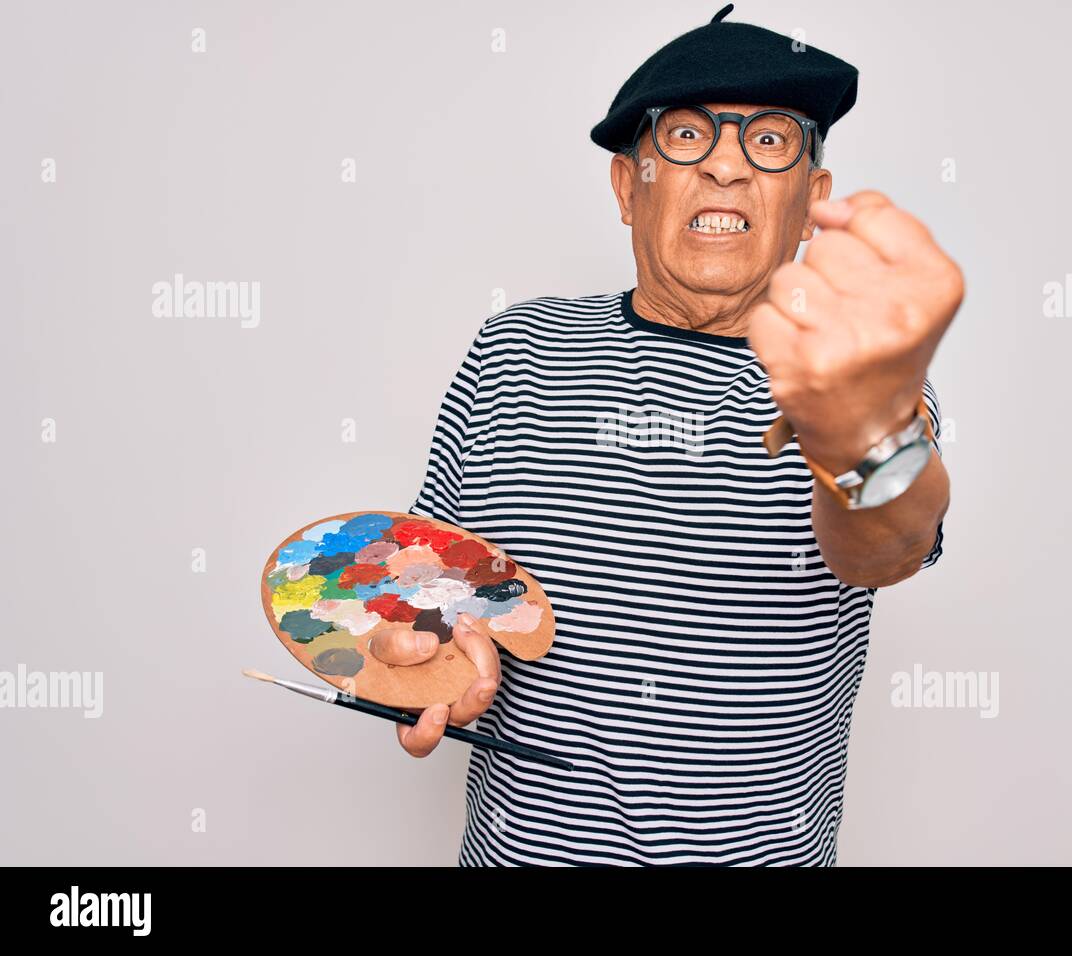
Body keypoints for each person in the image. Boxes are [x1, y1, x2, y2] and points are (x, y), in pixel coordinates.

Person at [371, 4, 962, 865]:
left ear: (813, 202)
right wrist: (414, 654)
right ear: (626, 186)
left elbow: (889, 550)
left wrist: (860, 433)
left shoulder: (855, 376)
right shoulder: (514, 351)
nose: (726, 165)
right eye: (686, 137)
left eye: (769, 140)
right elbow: (424, 588)